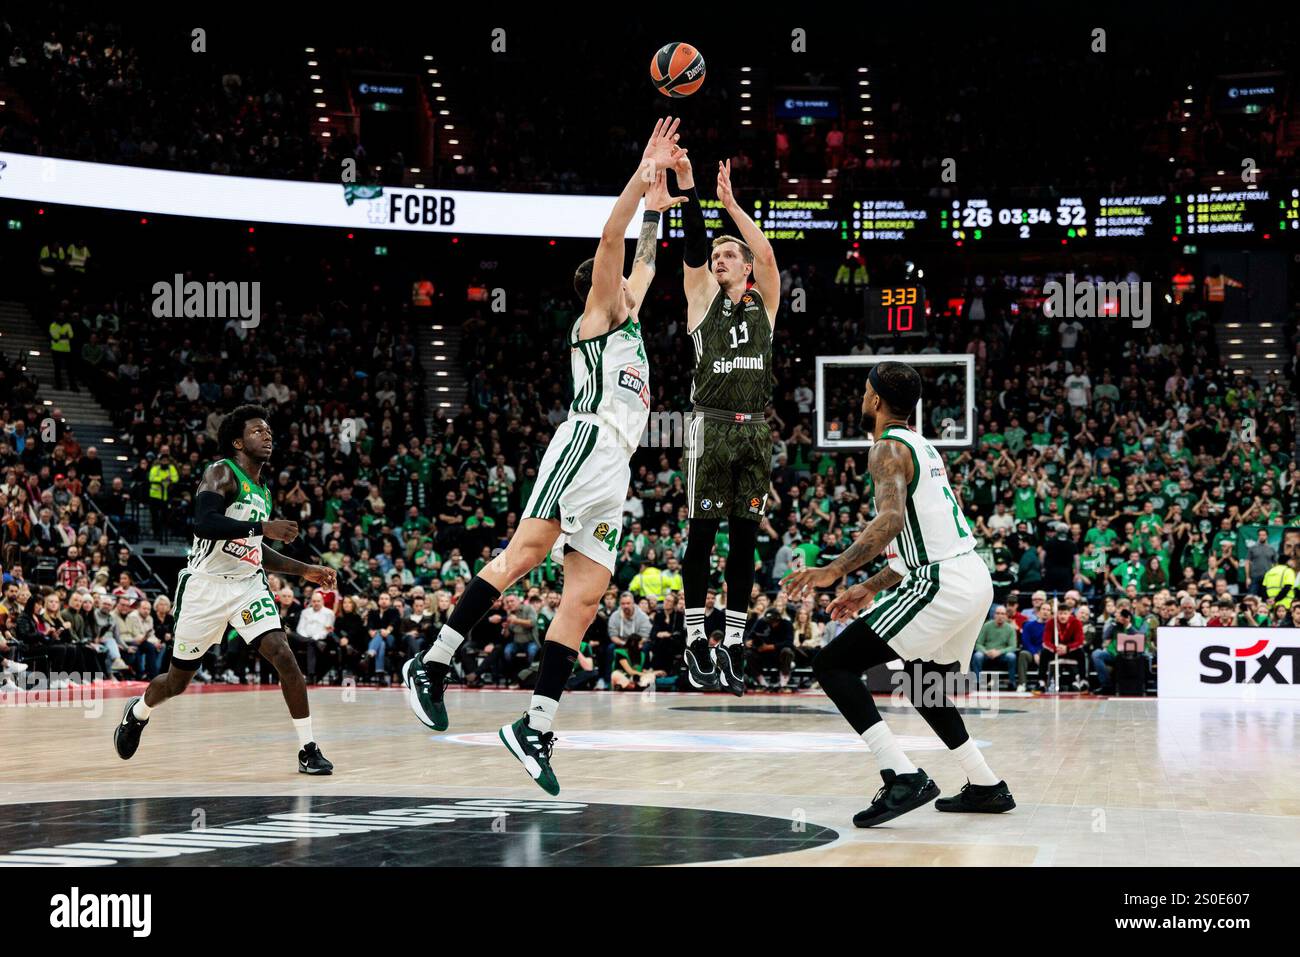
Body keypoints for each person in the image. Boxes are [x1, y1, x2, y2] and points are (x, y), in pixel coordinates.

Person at [403, 118, 683, 794]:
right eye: (618, 280)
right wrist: (640, 175)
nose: (630, 283)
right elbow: (615, 243)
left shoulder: (631, 313)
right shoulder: (598, 319)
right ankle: (433, 662)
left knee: (585, 597)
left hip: (615, 465)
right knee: (527, 552)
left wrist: (658, 204)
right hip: (585, 441)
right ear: (601, 287)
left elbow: (644, 257)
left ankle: (534, 723)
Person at [784, 361, 1014, 826]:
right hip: (969, 574)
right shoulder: (922, 446)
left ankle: (902, 775)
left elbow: (888, 522)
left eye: (864, 392)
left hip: (941, 581)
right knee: (922, 679)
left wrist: (834, 570)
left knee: (832, 664)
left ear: (873, 400)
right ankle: (986, 785)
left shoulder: (886, 448)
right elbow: (913, 541)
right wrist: (867, 587)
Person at [113, 406, 338, 774]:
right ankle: (138, 712)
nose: (267, 436)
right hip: (205, 588)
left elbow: (255, 550)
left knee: (284, 656)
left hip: (247, 586)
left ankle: (308, 748)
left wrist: (306, 570)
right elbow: (205, 524)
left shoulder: (263, 492)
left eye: (269, 431)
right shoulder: (221, 472)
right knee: (176, 682)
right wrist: (263, 528)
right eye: (257, 431)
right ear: (238, 441)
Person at [674, 149, 780, 697]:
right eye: (715, 255)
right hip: (710, 426)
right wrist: (689, 188)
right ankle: (696, 638)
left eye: (726, 255)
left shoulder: (765, 302)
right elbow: (693, 245)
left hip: (754, 429)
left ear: (743, 267)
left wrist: (732, 206)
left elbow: (764, 251)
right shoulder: (700, 300)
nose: (717, 258)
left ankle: (734, 641)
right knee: (703, 535)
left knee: (744, 541)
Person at [971, 605, 1017, 689]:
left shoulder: (1010, 628)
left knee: (1011, 656)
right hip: (987, 654)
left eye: (1002, 614)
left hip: (1002, 655)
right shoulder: (986, 626)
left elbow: (1013, 646)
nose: (1000, 616)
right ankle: (977, 682)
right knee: (977, 655)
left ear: (1006, 615)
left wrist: (999, 652)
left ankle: (1012, 682)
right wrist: (986, 652)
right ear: (994, 615)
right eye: (998, 613)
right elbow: (978, 644)